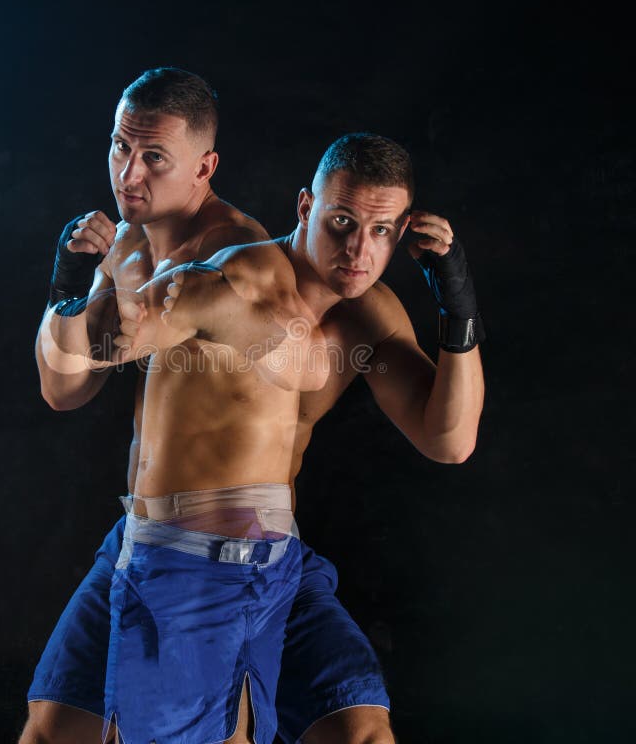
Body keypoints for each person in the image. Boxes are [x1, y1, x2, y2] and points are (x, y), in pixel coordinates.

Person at [25, 124, 484, 743]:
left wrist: (459, 313)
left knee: (360, 732)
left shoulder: (369, 316)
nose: (358, 250)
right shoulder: (235, 283)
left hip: (276, 562)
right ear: (306, 206)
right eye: (341, 222)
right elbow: (109, 347)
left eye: (380, 232)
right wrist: (69, 296)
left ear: (402, 235)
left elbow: (448, 439)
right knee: (57, 731)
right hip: (183, 555)